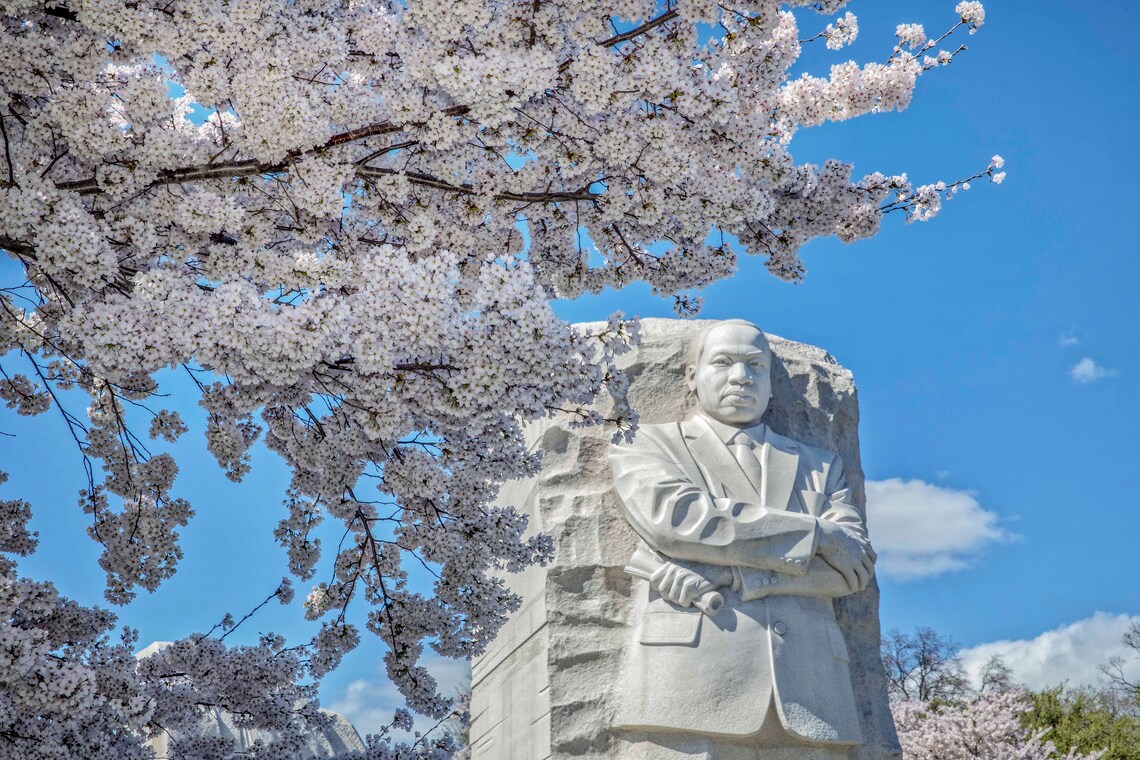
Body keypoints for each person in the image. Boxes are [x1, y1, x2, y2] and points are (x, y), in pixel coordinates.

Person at [608, 320, 876, 760]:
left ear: (771, 383)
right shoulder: (646, 444)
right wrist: (815, 533)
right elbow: (679, 521)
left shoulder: (820, 465)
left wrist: (746, 576)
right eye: (723, 362)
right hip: (686, 689)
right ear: (690, 377)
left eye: (756, 365)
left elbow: (852, 566)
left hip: (813, 694)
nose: (741, 376)